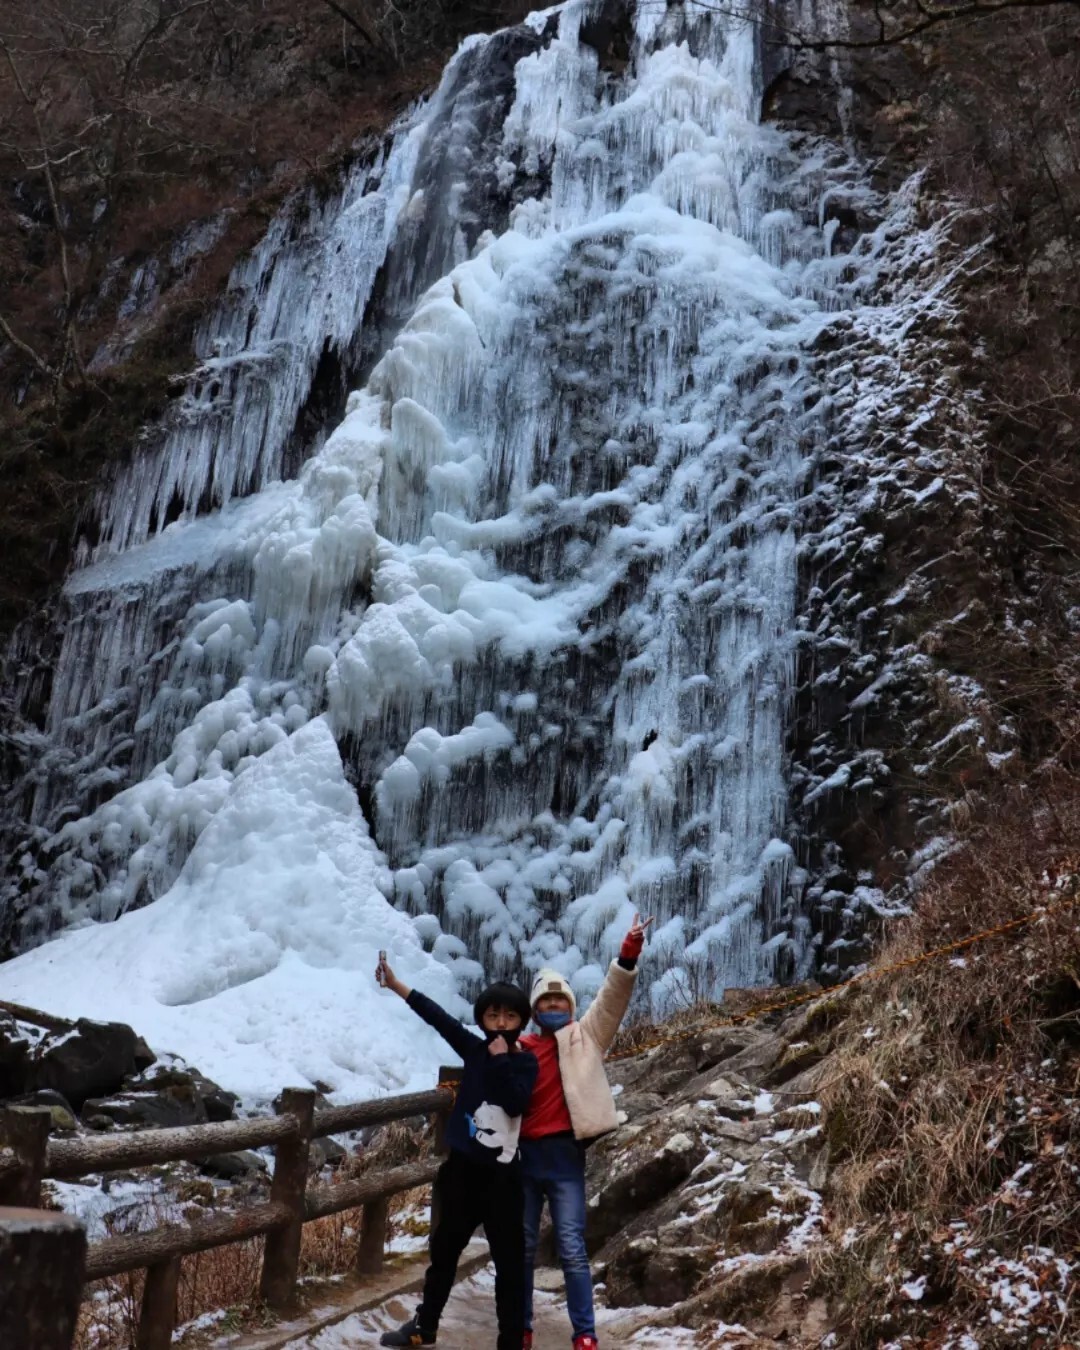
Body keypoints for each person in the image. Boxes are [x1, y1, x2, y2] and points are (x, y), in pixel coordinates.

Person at [376, 956, 538, 1349]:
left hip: (503, 1178)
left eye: (510, 1016)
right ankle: (424, 1326)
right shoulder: (472, 1049)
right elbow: (439, 1018)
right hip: (463, 1171)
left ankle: (510, 1341)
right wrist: (396, 985)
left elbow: (515, 1103)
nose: (501, 1023)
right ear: (482, 1018)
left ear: (521, 1021)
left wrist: (501, 1061)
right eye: (493, 1015)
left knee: (509, 1264)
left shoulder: (525, 1063)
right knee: (444, 1253)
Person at [519, 913, 653, 1350]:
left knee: (572, 1248)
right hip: (523, 1159)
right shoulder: (520, 1048)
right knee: (522, 1248)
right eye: (545, 1003)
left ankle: (585, 1334)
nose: (553, 1007)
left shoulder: (587, 1036)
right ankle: (520, 1326)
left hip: (564, 1158)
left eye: (560, 1001)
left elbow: (612, 999)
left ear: (571, 1006)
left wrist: (628, 953)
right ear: (534, 1011)